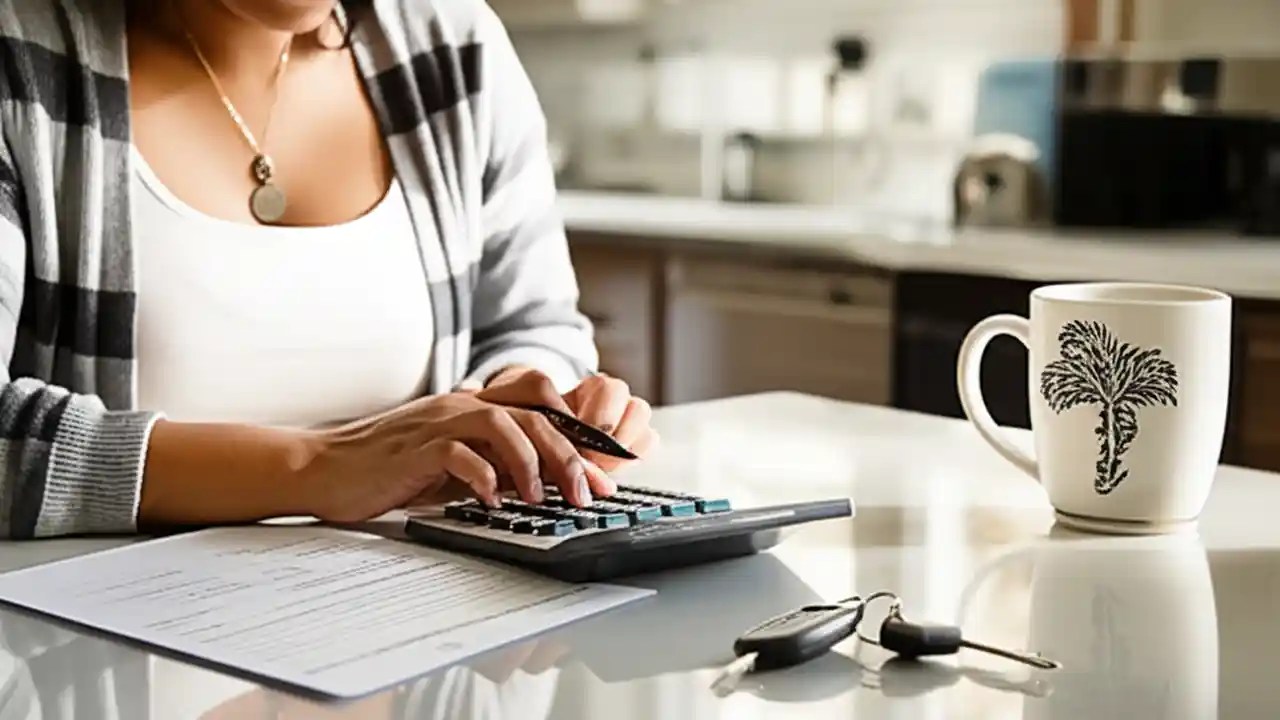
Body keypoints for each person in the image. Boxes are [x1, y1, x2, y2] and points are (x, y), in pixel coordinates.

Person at [0, 0, 658, 539]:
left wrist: (525, 405)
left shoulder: (456, 50)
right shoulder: (21, 55)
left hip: (412, 649)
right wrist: (314, 466)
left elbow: (535, 325)